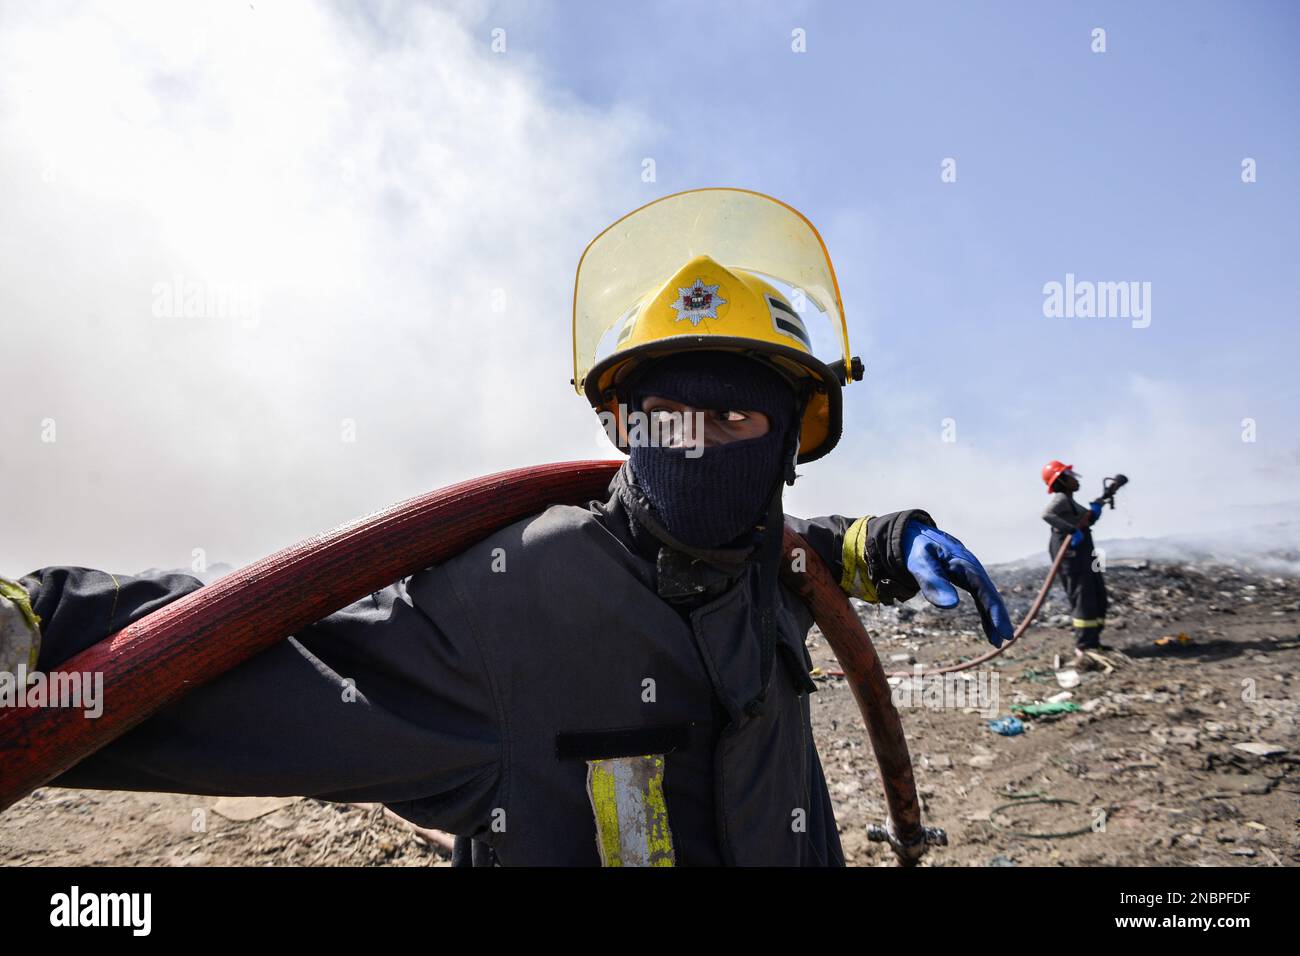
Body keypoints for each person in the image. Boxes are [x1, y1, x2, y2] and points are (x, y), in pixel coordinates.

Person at [1, 189, 1013, 866]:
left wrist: (873, 545)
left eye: (736, 417)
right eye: (666, 417)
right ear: (621, 425)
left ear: (791, 441)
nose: (698, 445)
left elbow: (789, 545)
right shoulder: (510, 595)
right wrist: (38, 630)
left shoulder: (769, 562)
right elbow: (255, 642)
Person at [1041, 460, 1108, 667]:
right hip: (1070, 552)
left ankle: (1093, 642)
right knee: (1083, 595)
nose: (1075, 479)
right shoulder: (1060, 498)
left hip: (1083, 550)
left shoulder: (1070, 500)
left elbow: (1082, 520)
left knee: (1097, 594)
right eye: (1070, 476)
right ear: (1061, 480)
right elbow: (1047, 515)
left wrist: (1094, 512)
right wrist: (1071, 531)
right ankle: (1084, 646)